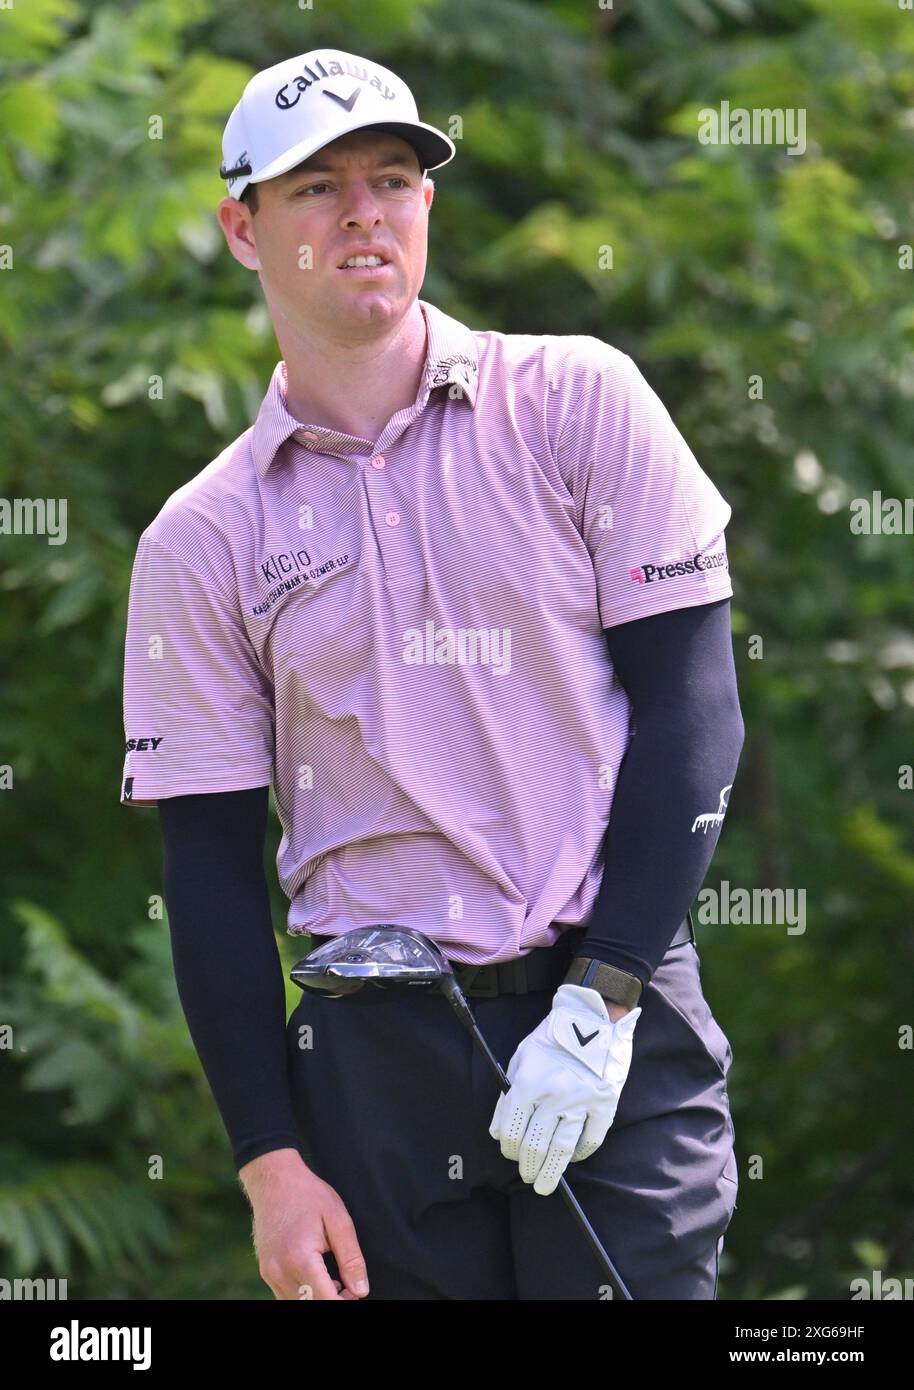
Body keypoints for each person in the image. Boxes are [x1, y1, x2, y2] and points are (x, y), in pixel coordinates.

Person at [120, 48, 743, 1301]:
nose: (364, 211)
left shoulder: (576, 401)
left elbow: (690, 710)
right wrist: (269, 1163)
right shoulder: (202, 537)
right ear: (242, 228)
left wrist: (607, 993)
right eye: (317, 188)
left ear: (425, 205)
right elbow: (207, 866)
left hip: (612, 1006)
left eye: (393, 177)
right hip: (371, 1051)